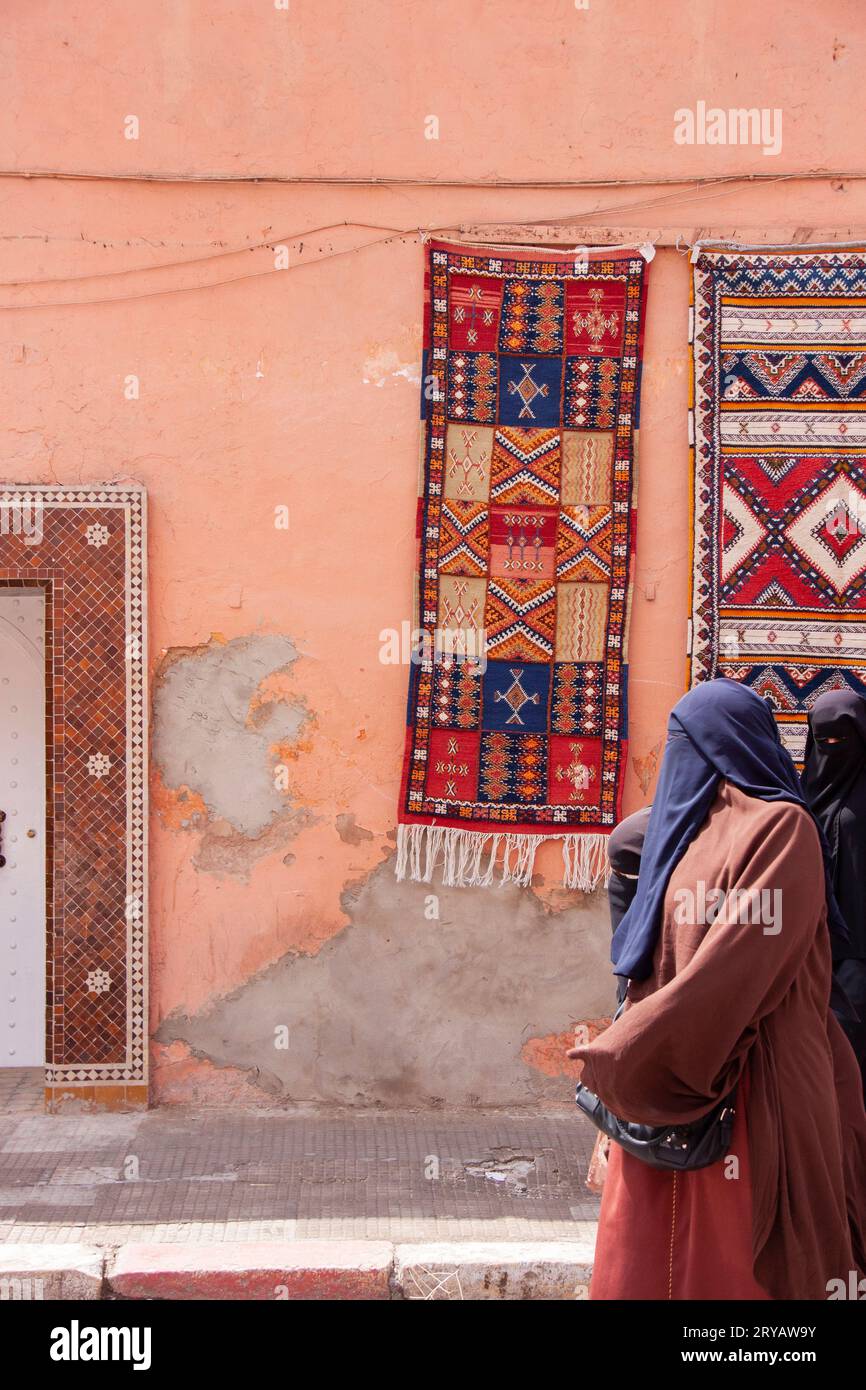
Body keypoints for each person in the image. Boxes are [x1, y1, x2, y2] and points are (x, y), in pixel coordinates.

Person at [569, 678, 866, 1300]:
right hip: (677, 1068)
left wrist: (638, 1058)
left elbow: (737, 972)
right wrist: (643, 1064)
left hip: (755, 1074)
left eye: (687, 741)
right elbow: (645, 960)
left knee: (735, 1260)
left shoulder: (782, 830)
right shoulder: (673, 835)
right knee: (655, 1256)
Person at [801, 689, 866, 1099]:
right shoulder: (801, 793)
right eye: (823, 742)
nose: (831, 750)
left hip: (860, 956)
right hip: (810, 953)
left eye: (841, 740)